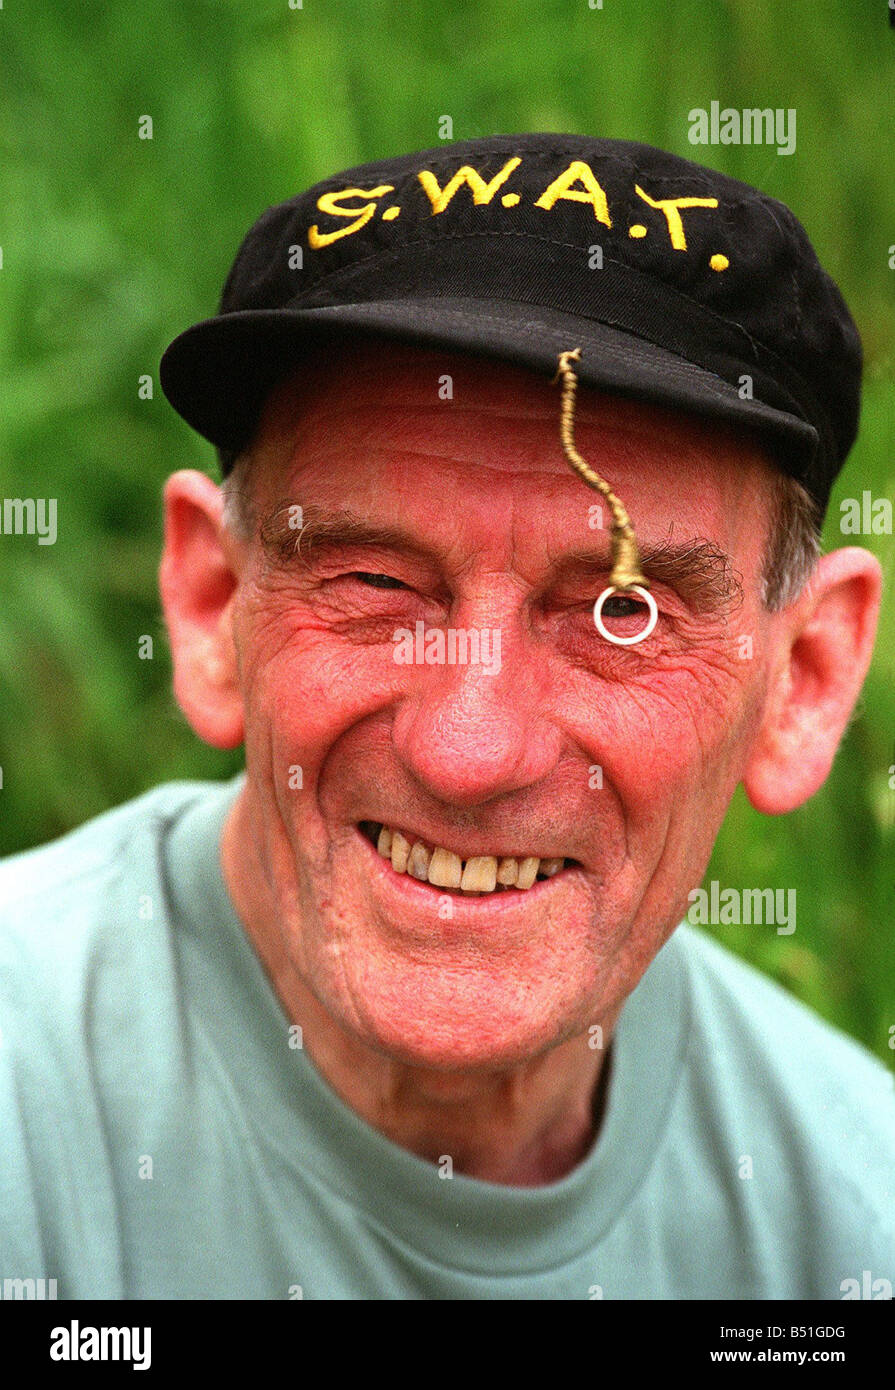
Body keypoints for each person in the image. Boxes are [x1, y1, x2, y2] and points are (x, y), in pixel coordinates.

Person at [1, 134, 893, 1301]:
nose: (469, 750)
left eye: (621, 613)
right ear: (215, 606)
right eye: (371, 584)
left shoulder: (854, 1210)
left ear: (804, 681)